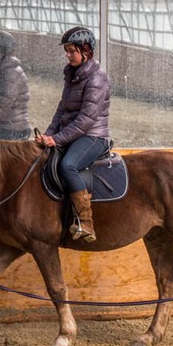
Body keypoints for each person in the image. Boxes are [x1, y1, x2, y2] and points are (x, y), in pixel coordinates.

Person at [36, 26, 111, 243]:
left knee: (67, 165)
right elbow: (61, 111)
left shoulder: (97, 79)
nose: (68, 55)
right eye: (67, 51)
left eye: (71, 51)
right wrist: (47, 135)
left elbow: (85, 120)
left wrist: (57, 139)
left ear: (85, 51)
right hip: (74, 133)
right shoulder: (72, 76)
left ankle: (86, 222)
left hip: (93, 136)